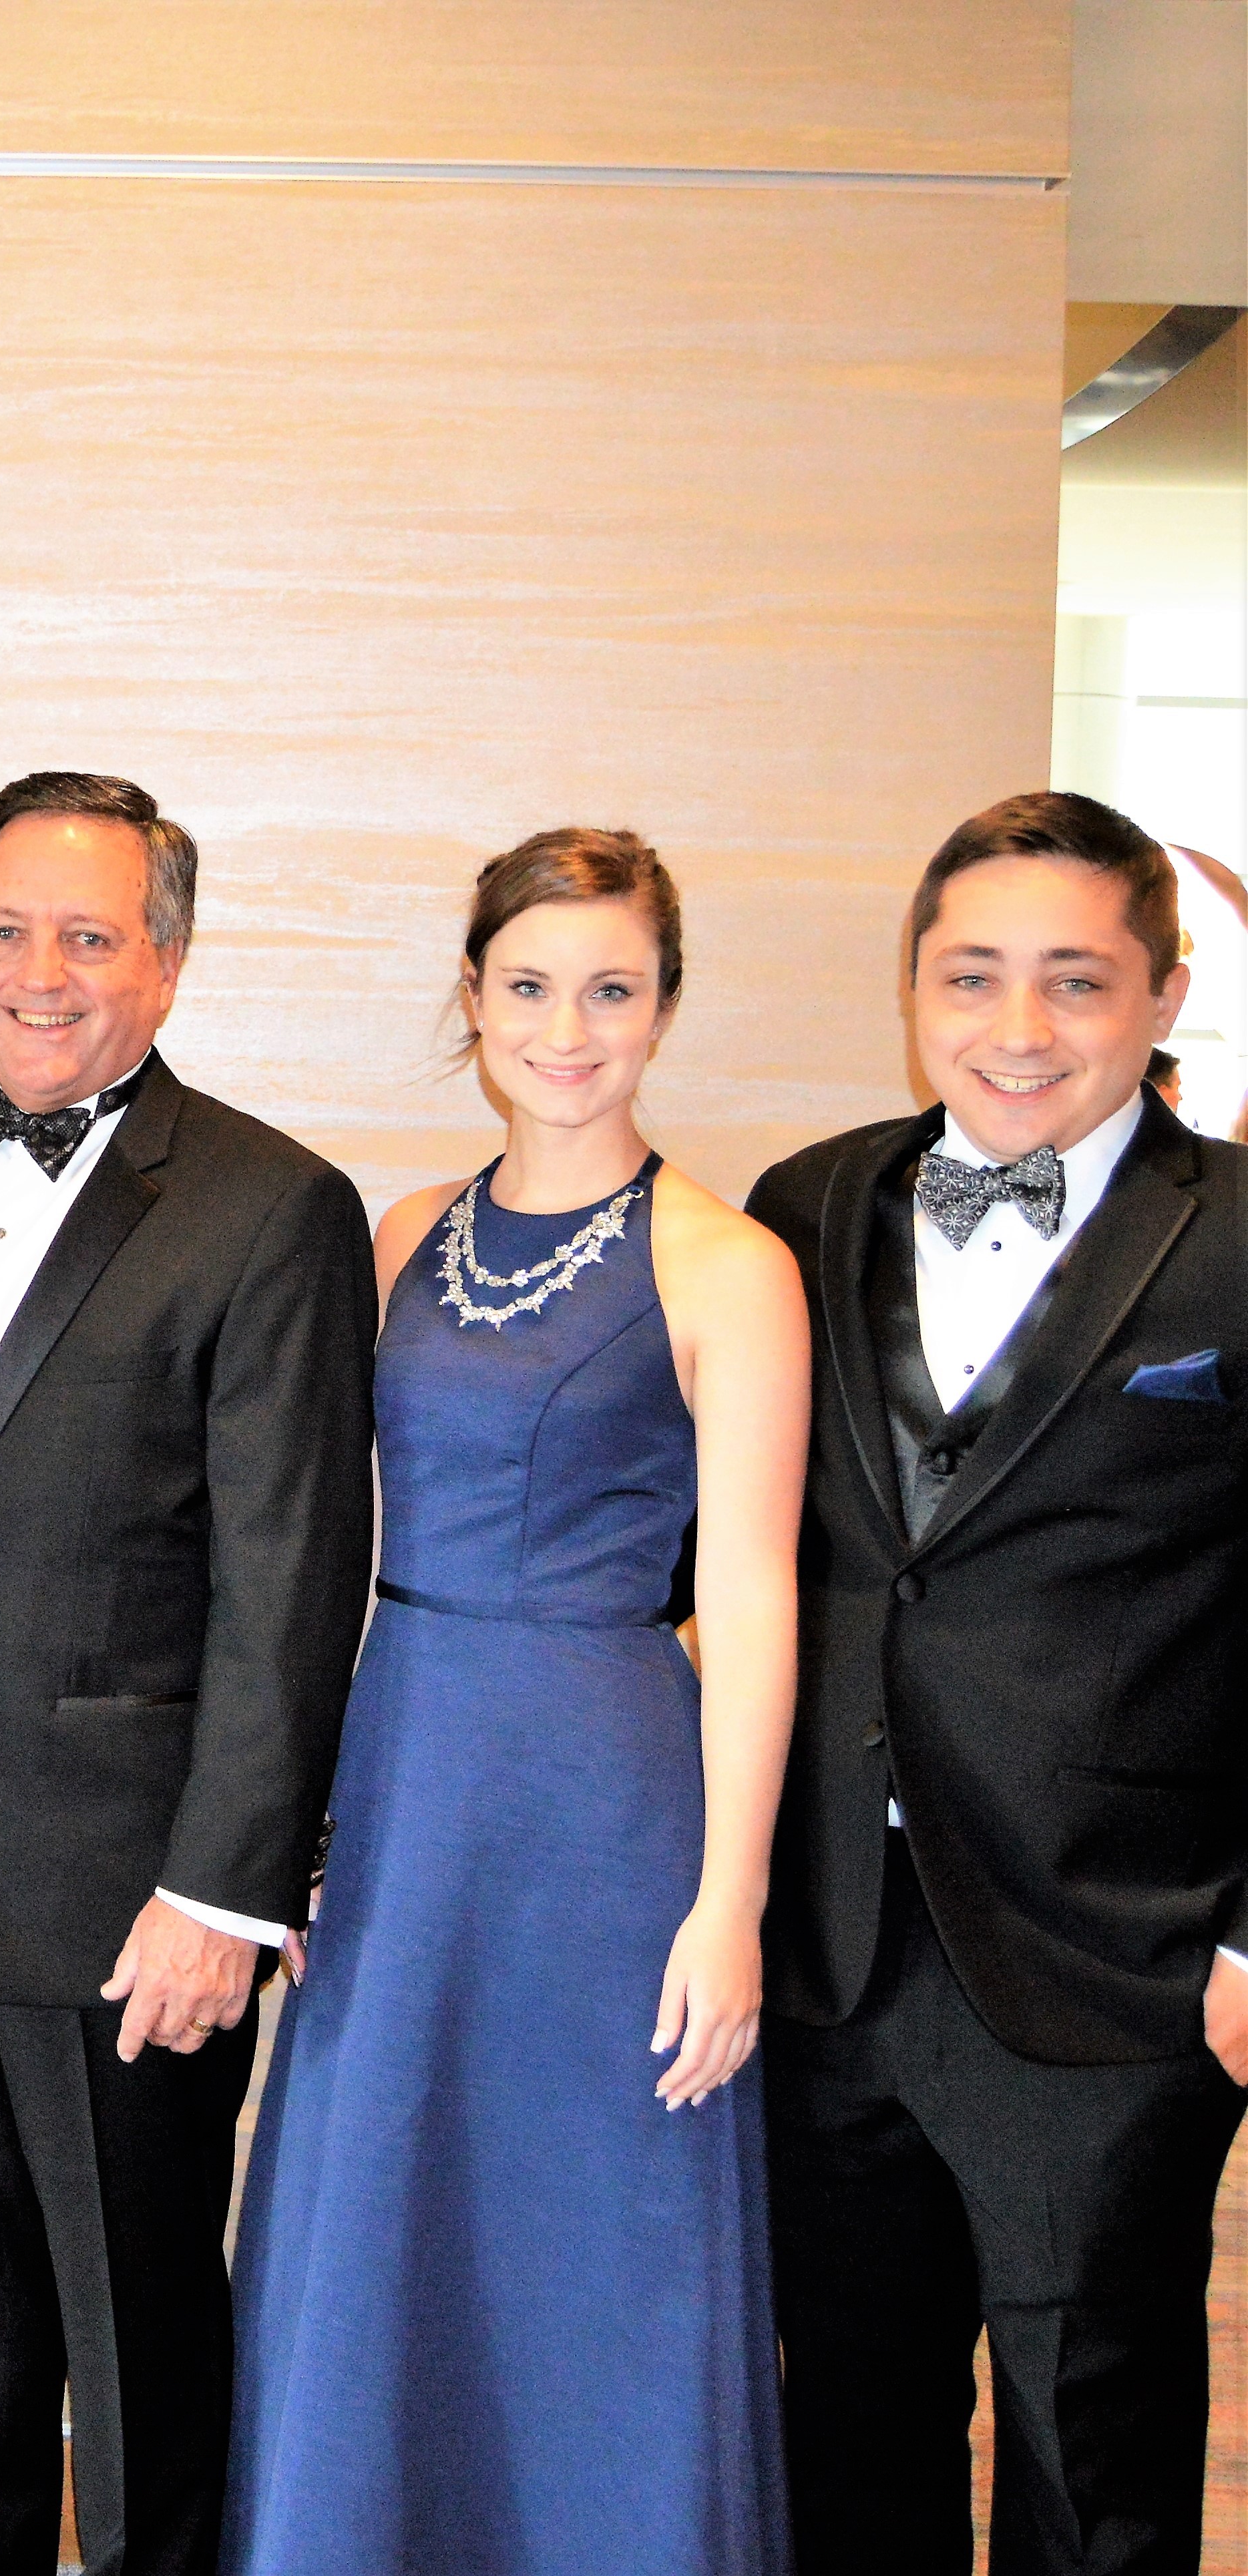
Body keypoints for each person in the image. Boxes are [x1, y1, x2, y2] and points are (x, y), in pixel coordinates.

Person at [222, 830, 805, 2571]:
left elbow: (759, 1598)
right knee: (372, 2214)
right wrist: (297, 1820)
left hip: (605, 1812)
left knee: (591, 2242)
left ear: (664, 1008)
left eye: (611, 989)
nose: (569, 1027)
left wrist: (731, 1904)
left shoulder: (726, 1263)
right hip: (404, 1783)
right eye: (531, 985)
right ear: (471, 999)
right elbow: (329, 1546)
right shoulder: (403, 1233)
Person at [0, 771, 373, 2576]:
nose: (40, 972)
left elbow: (290, 1577)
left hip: (131, 1889)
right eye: (7, 930)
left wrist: (224, 1890)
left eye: (89, 935)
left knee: (135, 2340)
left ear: (167, 960)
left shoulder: (268, 1205)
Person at [748, 789, 1248, 2574]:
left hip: (1111, 1960)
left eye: (1075, 981)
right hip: (830, 1944)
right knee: (846, 2430)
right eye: (970, 977)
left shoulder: (1241, 1234)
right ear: (911, 987)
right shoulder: (804, 1205)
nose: (1016, 1030)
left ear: (1164, 994)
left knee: (1085, 2458)